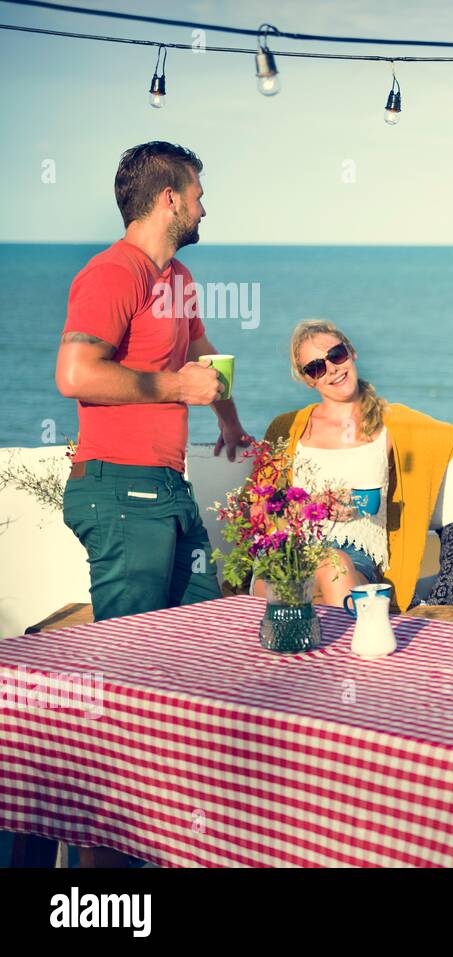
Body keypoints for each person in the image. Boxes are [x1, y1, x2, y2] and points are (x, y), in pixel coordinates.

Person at [47, 141, 250, 868]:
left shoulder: (179, 278)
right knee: (127, 681)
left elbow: (201, 355)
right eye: (198, 191)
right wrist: (175, 390)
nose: (205, 204)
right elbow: (76, 372)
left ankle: (172, 837)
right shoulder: (111, 272)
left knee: (198, 652)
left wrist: (226, 418)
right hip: (118, 489)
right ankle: (102, 870)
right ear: (169, 197)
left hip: (167, 489)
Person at [262, 319, 453, 610]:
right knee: (267, 583)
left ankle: (348, 665)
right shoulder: (287, 427)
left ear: (352, 352)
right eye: (316, 367)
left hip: (354, 554)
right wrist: (302, 508)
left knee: (334, 564)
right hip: (292, 547)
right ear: (307, 380)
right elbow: (259, 503)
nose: (331, 368)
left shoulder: (394, 422)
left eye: (336, 354)